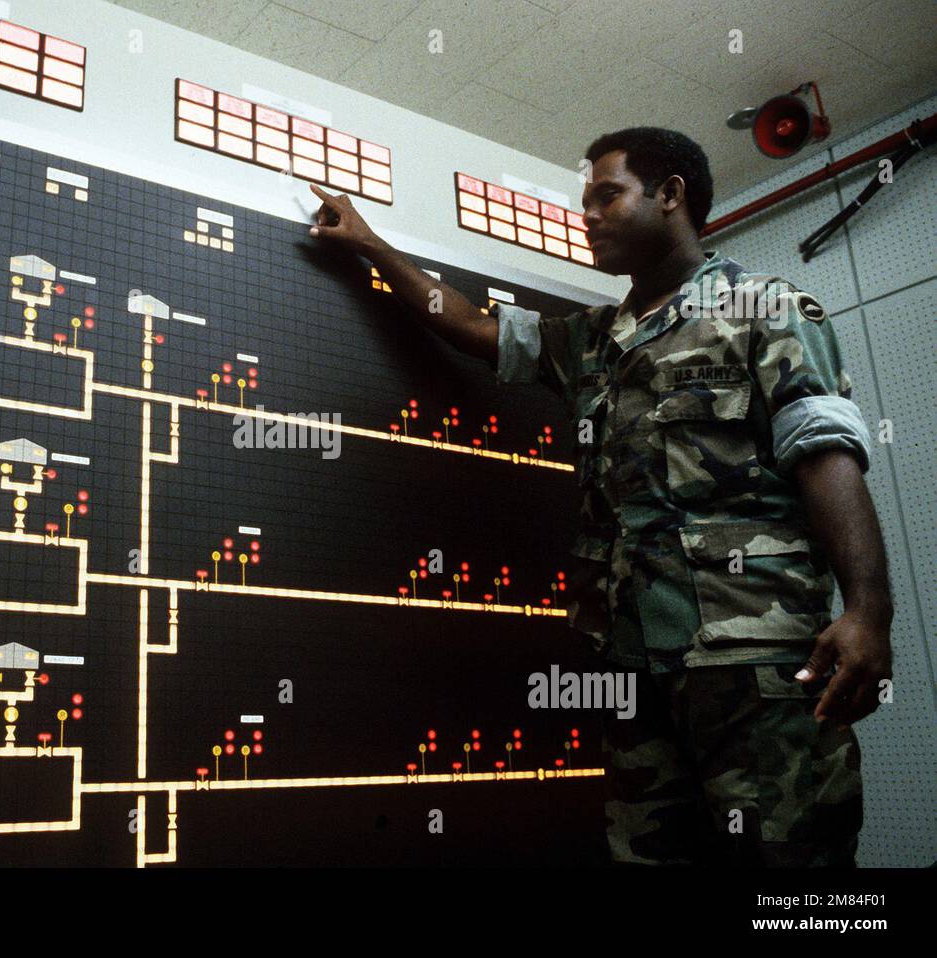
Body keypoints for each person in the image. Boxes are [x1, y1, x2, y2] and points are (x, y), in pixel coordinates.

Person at [308, 126, 893, 866]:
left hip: (754, 667)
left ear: (670, 195)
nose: (588, 215)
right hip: (633, 669)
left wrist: (869, 612)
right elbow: (466, 324)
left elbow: (826, 454)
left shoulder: (765, 310)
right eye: (586, 201)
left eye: (606, 196)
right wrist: (369, 242)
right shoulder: (591, 342)